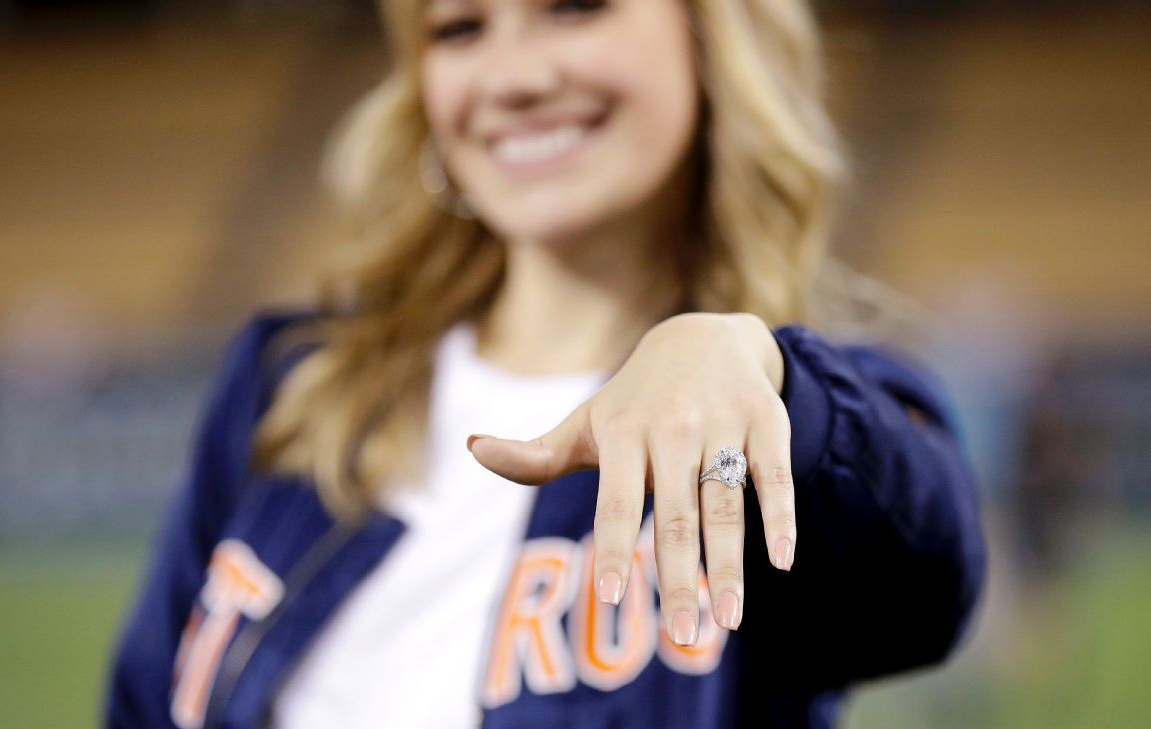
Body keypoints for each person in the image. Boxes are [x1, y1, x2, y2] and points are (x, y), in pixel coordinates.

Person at [105, 0, 987, 727]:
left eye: (573, 10)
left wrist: (760, 374)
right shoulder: (294, 381)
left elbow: (929, 577)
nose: (515, 77)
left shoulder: (772, 413)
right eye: (459, 29)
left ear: (711, 36)